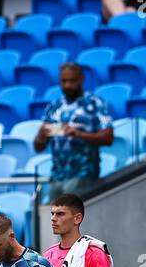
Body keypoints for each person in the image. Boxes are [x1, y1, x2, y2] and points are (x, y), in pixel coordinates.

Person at [34, 63, 114, 200]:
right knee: (54, 220)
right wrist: (41, 136)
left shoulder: (96, 103)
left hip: (83, 175)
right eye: (64, 81)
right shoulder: (53, 106)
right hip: (57, 176)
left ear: (81, 79)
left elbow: (108, 137)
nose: (67, 86)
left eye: (72, 81)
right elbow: (38, 147)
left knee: (73, 219)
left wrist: (79, 134)